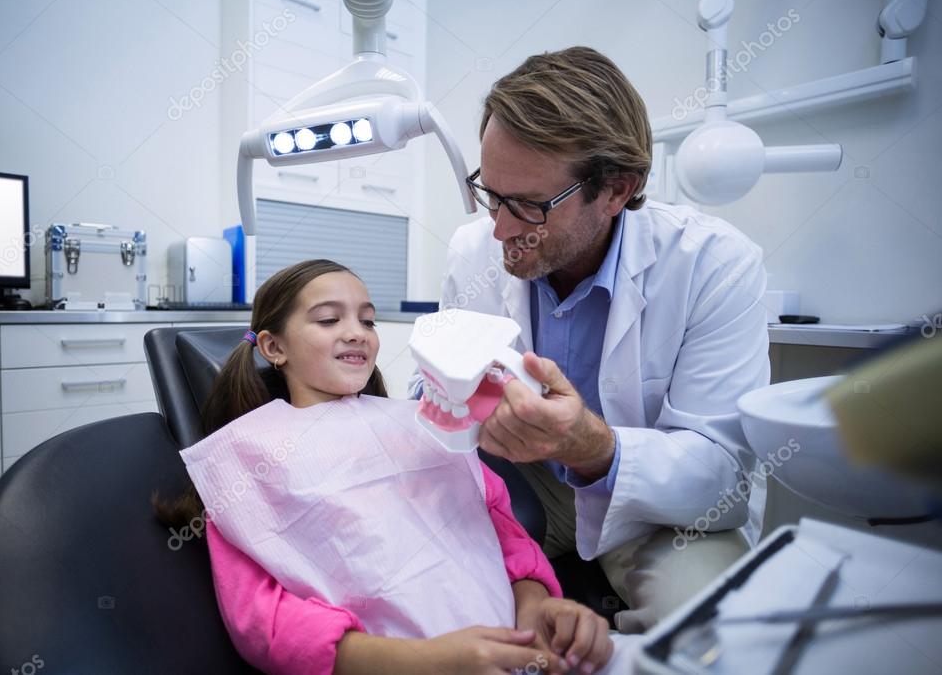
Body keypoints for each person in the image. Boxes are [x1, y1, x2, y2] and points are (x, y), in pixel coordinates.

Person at [411, 46, 771, 633]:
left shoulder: (715, 264)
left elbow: (723, 477)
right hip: (522, 484)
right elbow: (441, 383)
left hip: (662, 515)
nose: (499, 228)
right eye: (490, 193)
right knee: (421, 589)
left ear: (616, 191)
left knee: (711, 632)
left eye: (527, 206)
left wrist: (593, 446)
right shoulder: (475, 250)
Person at [155, 259, 630, 675]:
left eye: (368, 319)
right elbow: (265, 623)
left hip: (518, 651)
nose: (357, 331)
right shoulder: (247, 458)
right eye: (327, 319)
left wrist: (540, 608)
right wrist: (430, 664)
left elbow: (506, 538)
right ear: (273, 347)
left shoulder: (425, 425)